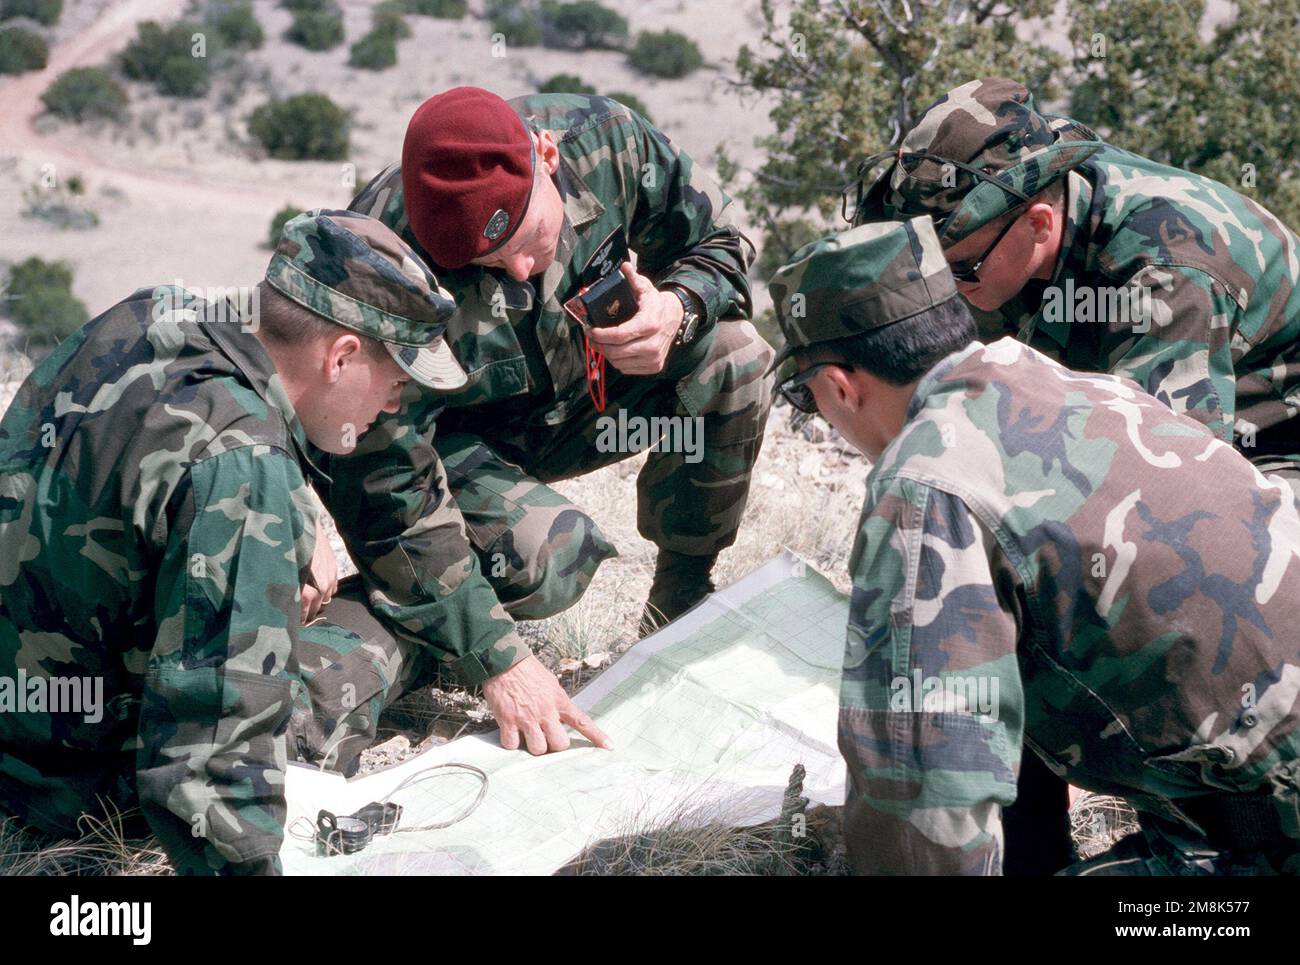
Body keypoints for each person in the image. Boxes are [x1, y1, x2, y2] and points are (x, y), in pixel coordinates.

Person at [0, 211, 608, 874]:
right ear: (342, 356)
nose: (392, 406)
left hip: (21, 719)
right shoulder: (243, 467)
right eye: (397, 381)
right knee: (379, 627)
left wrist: (290, 520)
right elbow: (209, 769)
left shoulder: (147, 316)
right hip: (77, 785)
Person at [767, 215, 1300, 875]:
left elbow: (923, 815)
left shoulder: (929, 480)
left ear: (841, 386)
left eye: (806, 395)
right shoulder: (1082, 387)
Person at [344, 88, 773, 714]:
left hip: (589, 401)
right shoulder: (379, 254)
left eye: (524, 237)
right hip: (463, 447)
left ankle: (681, 593)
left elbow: (726, 240)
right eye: (484, 263)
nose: (518, 271)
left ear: (547, 156)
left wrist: (675, 310)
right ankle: (397, 628)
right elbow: (382, 475)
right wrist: (495, 657)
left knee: (734, 355)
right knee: (550, 557)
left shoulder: (602, 139)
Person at [849, 77, 1300, 493]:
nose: (944, 287)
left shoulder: (1163, 275)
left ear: (1039, 224)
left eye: (961, 268)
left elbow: (1167, 477)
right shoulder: (1026, 187)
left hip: (1276, 442)